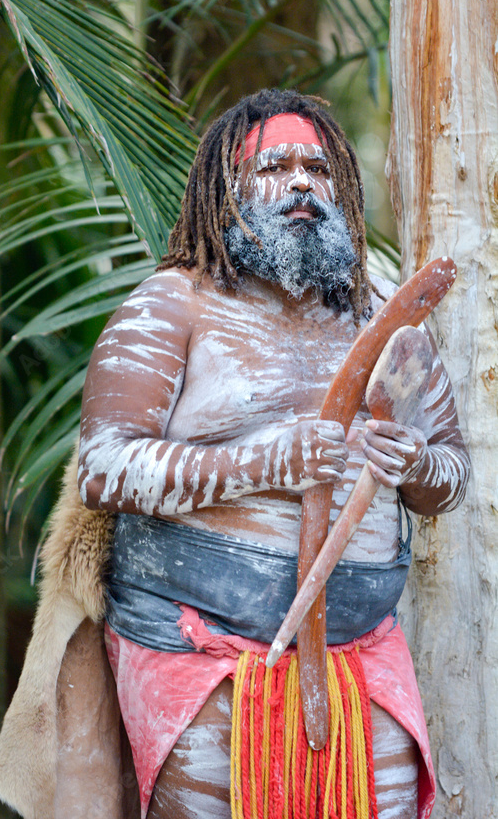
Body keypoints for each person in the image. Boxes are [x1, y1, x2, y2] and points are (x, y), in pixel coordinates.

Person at [75, 88, 469, 819]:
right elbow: (103, 468)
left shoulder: (382, 310)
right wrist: (259, 464)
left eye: (318, 169)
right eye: (274, 166)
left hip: (357, 658)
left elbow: (449, 479)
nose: (298, 184)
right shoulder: (171, 305)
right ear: (225, 189)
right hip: (198, 651)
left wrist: (411, 460)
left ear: (340, 188)